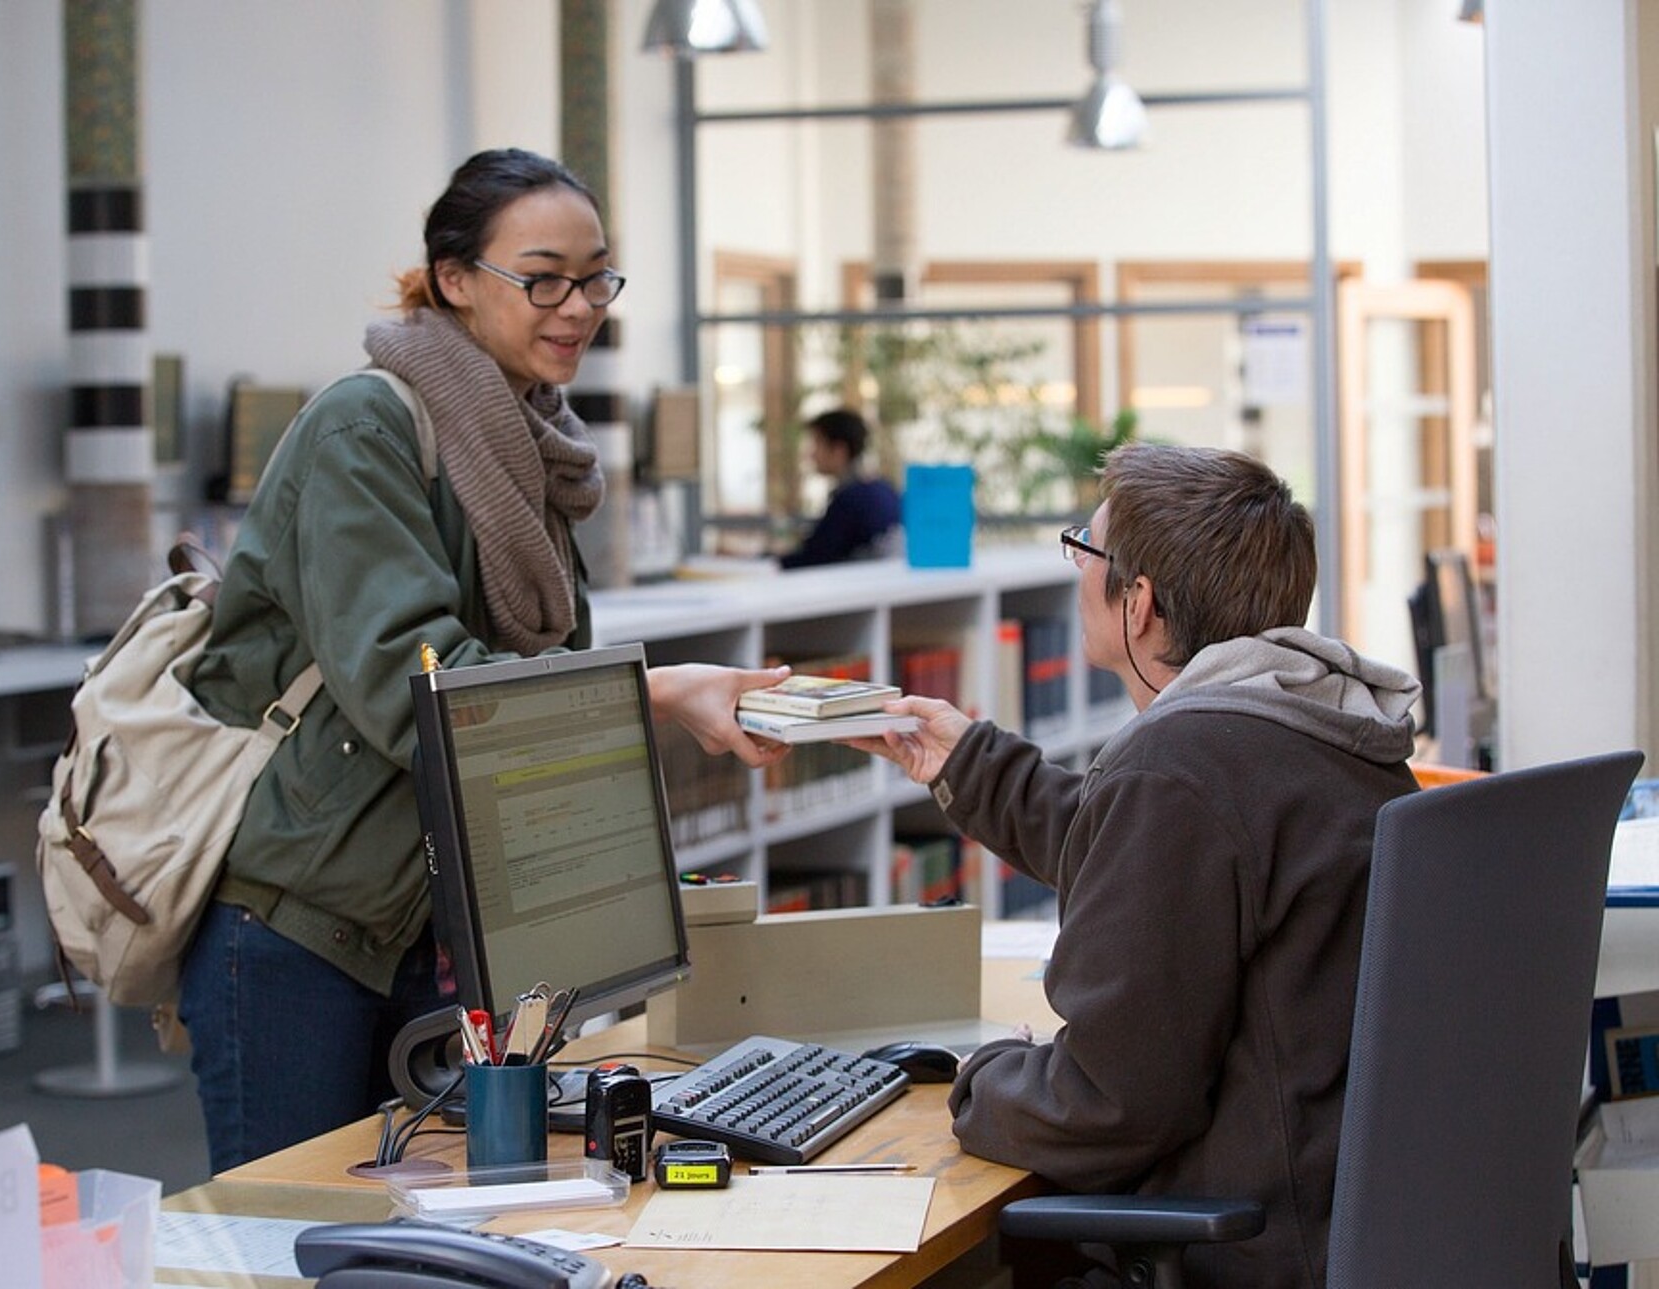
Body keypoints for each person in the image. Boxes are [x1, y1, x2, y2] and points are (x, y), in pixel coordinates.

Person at [177, 148, 787, 1174]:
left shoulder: (528, 442)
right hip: (302, 927)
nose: (578, 306)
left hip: (446, 927)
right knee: (293, 1226)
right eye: (542, 278)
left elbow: (547, 668)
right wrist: (662, 691)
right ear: (454, 279)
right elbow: (419, 683)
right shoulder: (364, 427)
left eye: (595, 278)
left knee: (452, 1223)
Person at [853, 444, 1421, 1289]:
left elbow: (1104, 1107)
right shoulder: (1314, 727)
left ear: (1140, 602)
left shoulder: (1180, 769)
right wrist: (965, 762)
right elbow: (1144, 860)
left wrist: (978, 1077)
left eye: (1084, 548)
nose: (1077, 568)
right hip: (1350, 1227)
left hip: (1254, 1253)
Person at [778, 407, 901, 568]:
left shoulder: (851, 499)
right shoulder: (884, 488)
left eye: (816, 443)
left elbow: (815, 556)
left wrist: (769, 561)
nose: (811, 454)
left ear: (839, 450)